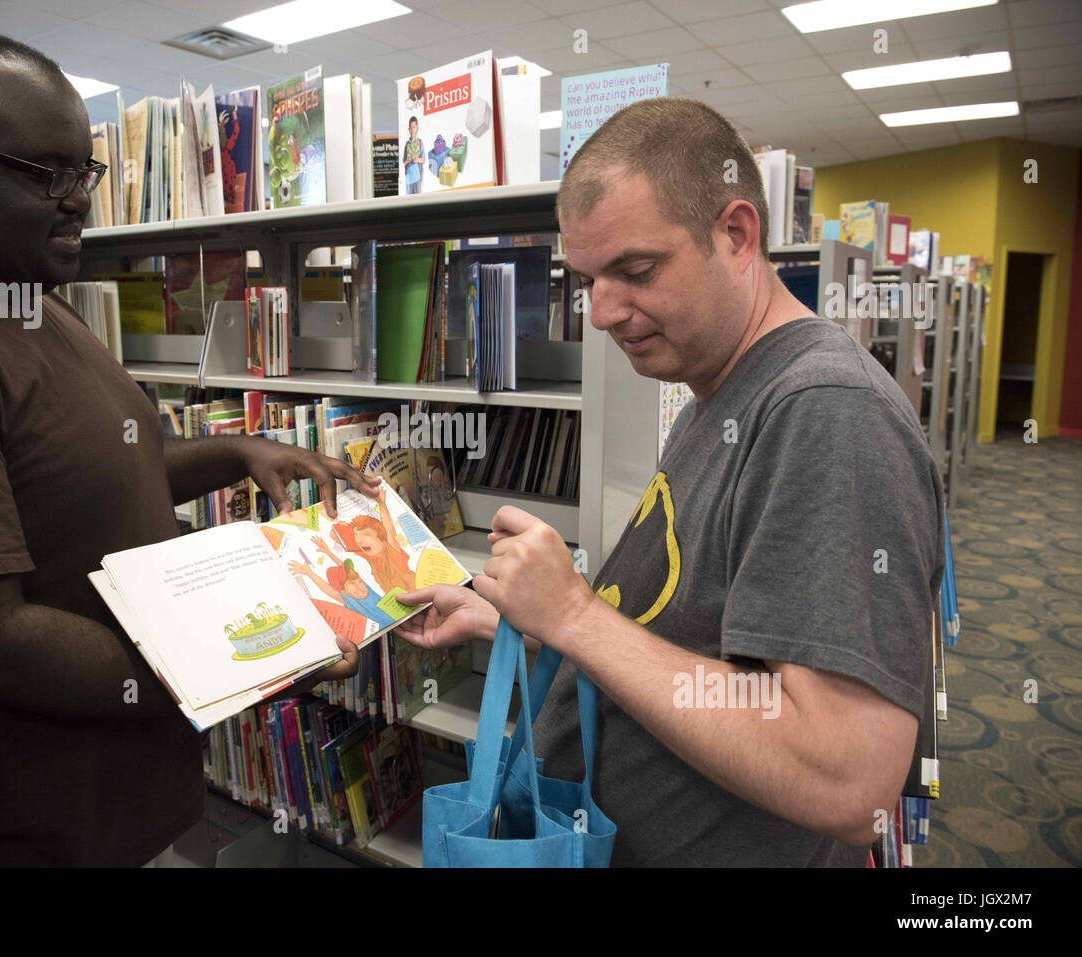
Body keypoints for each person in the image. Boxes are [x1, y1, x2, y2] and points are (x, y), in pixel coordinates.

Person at [0, 29, 375, 866]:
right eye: (45, 175)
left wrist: (238, 451)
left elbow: (93, 464)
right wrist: (256, 654)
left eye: (85, 172)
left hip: (143, 799)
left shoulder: (24, 291)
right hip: (46, 831)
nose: (79, 201)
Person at [396, 98, 945, 867]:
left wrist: (576, 615)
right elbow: (686, 637)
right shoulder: (715, 395)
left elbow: (852, 780)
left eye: (636, 269)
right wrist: (520, 620)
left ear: (737, 234)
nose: (604, 312)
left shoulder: (826, 412)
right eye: (587, 277)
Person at [403, 116, 424, 194]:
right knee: (409, 201)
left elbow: (423, 159)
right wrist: (408, 160)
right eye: (411, 128)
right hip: (408, 178)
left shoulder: (419, 142)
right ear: (409, 129)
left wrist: (417, 159)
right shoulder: (407, 144)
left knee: (418, 201)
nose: (412, 130)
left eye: (414, 127)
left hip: (417, 177)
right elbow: (403, 162)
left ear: (417, 128)